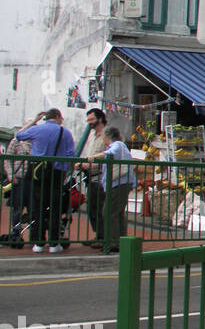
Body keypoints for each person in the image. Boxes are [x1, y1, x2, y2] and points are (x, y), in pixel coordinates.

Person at [16, 109, 76, 253]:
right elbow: (71, 155)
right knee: (55, 209)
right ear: (57, 117)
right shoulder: (66, 133)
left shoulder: (37, 129)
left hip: (37, 173)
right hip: (57, 174)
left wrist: (34, 120)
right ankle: (54, 244)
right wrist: (67, 173)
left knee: (37, 208)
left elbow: (18, 135)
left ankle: (38, 243)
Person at [97, 127, 136, 252]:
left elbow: (111, 153)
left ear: (107, 136)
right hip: (120, 183)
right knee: (117, 212)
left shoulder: (117, 145)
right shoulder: (120, 145)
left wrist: (94, 156)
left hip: (119, 183)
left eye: (103, 135)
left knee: (110, 212)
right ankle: (120, 241)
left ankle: (113, 242)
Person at [4, 114, 39, 246]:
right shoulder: (16, 141)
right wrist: (10, 175)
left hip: (33, 180)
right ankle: (16, 233)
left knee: (33, 208)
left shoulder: (37, 143)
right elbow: (8, 158)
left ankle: (35, 235)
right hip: (19, 179)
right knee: (17, 209)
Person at [77, 108, 108, 244]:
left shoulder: (107, 134)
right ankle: (98, 235)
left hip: (101, 177)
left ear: (100, 119)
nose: (90, 122)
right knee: (92, 209)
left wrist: (91, 165)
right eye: (88, 120)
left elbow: (108, 154)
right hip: (92, 177)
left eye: (92, 119)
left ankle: (103, 237)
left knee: (99, 209)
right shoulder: (94, 135)